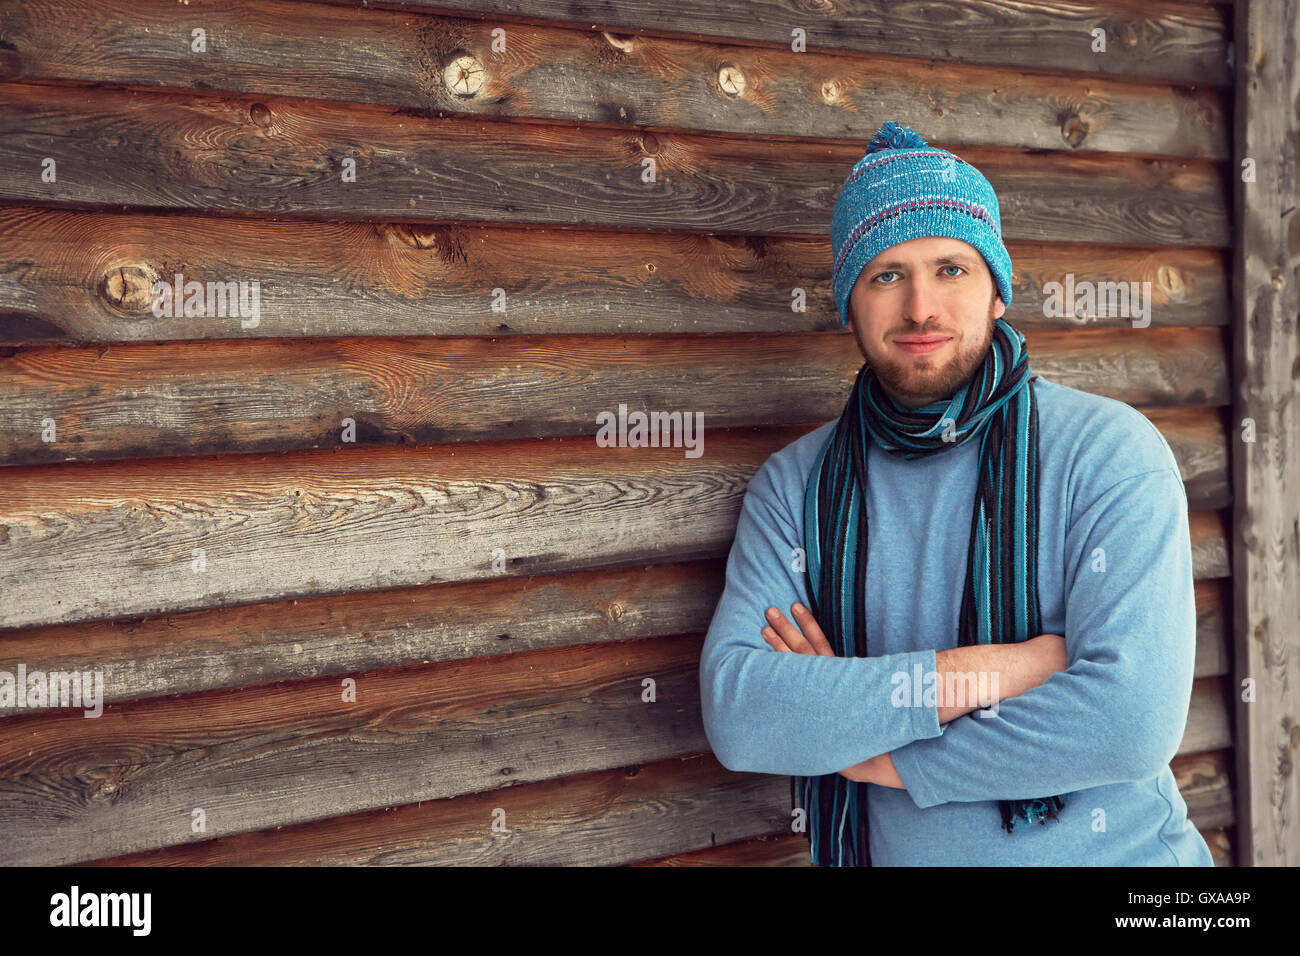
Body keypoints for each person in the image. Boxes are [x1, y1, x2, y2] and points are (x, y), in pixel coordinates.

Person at [698, 120, 1214, 866]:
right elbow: (744, 715)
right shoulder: (796, 488)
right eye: (885, 275)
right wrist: (1006, 669)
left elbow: (1128, 720)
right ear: (850, 303)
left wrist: (882, 750)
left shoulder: (1108, 454)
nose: (919, 309)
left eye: (950, 268)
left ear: (997, 291)